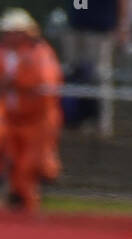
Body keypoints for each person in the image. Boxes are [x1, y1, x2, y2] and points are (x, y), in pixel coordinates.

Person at [0, 9, 63, 212]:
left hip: (38, 120)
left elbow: (46, 84)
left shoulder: (40, 53)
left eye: (11, 31)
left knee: (29, 166)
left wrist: (17, 80)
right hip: (10, 117)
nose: (5, 36)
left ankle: (27, 206)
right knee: (2, 159)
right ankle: (12, 203)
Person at [63, 0, 129, 137]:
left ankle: (102, 123)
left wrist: (123, 26)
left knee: (99, 76)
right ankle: (74, 118)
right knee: (73, 74)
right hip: (75, 24)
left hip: (100, 27)